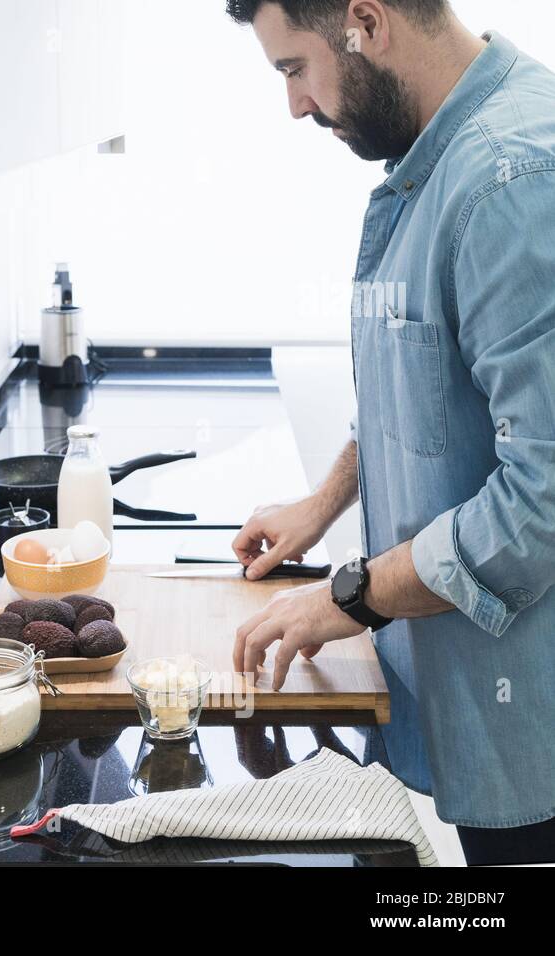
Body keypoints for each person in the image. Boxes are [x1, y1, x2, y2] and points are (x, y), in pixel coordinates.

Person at [225, 0, 555, 865]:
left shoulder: (507, 182)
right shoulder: (440, 155)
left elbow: (540, 504)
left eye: (294, 69)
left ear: (364, 21)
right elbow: (429, 387)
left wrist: (350, 595)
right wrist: (326, 502)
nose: (296, 106)